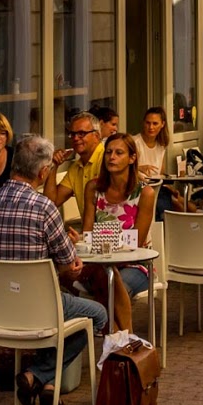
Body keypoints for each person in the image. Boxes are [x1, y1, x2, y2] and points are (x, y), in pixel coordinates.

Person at [0, 136, 107, 405]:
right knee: (97, 314)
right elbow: (69, 263)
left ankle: (48, 388)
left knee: (60, 309)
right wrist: (74, 258)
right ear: (43, 172)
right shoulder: (43, 207)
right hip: (39, 306)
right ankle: (38, 375)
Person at [77, 133, 156, 331]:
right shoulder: (93, 188)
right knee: (93, 277)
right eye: (109, 153)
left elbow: (136, 243)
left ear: (132, 158)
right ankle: (122, 341)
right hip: (99, 263)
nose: (111, 157)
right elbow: (87, 233)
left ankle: (115, 337)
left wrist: (103, 248)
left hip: (135, 264)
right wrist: (78, 239)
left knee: (112, 282)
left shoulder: (145, 193)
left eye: (119, 153)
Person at [43, 111, 104, 219]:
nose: (75, 138)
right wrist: (54, 165)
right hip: (90, 233)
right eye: (73, 134)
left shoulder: (108, 159)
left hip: (115, 232)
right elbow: (51, 202)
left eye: (81, 134)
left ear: (97, 136)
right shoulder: (76, 168)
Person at [134, 107, 168, 179]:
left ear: (162, 124)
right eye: (148, 123)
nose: (151, 127)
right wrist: (139, 168)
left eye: (155, 123)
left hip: (157, 185)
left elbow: (161, 173)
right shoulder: (136, 142)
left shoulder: (161, 145)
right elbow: (125, 170)